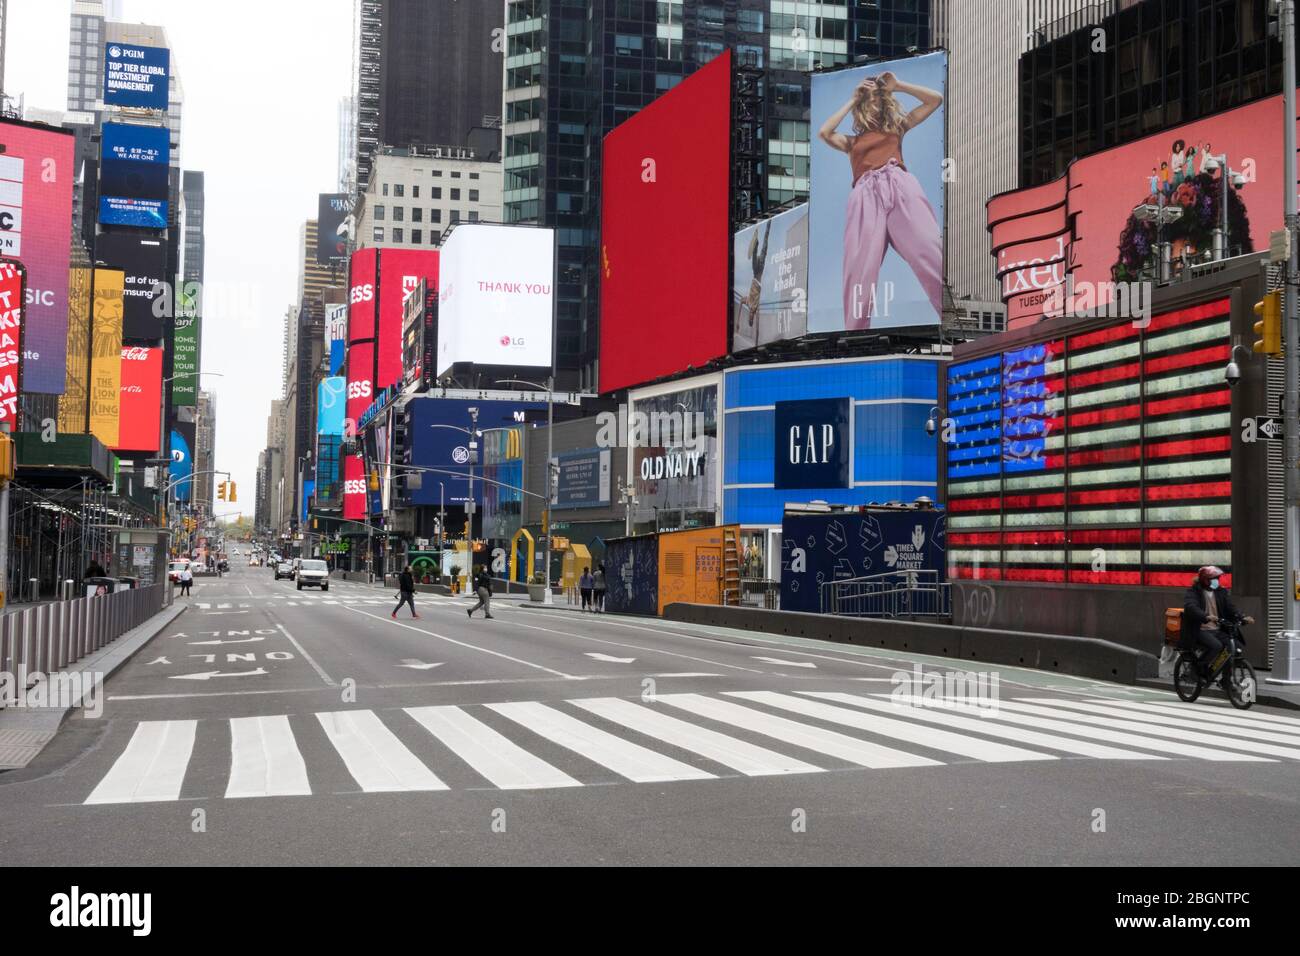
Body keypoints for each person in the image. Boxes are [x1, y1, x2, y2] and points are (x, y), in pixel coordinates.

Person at [817, 70, 944, 330]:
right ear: (862, 107)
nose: (874, 102)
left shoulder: (897, 127)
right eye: (869, 99)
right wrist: (854, 98)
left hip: (899, 185)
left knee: (930, 251)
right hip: (865, 196)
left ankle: (954, 320)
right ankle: (855, 339)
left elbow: (935, 99)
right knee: (858, 271)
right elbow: (824, 132)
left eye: (878, 98)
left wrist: (897, 85)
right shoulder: (851, 142)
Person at [1182, 566, 1253, 679]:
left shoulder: (1221, 592)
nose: (1217, 581)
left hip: (1216, 629)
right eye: (1214, 578)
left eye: (1217, 578)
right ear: (1205, 579)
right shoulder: (1194, 591)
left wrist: (1242, 617)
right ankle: (1195, 669)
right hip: (1200, 629)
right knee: (1216, 646)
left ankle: (1226, 680)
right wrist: (1206, 616)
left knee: (1233, 647)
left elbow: (1230, 608)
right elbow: (1191, 607)